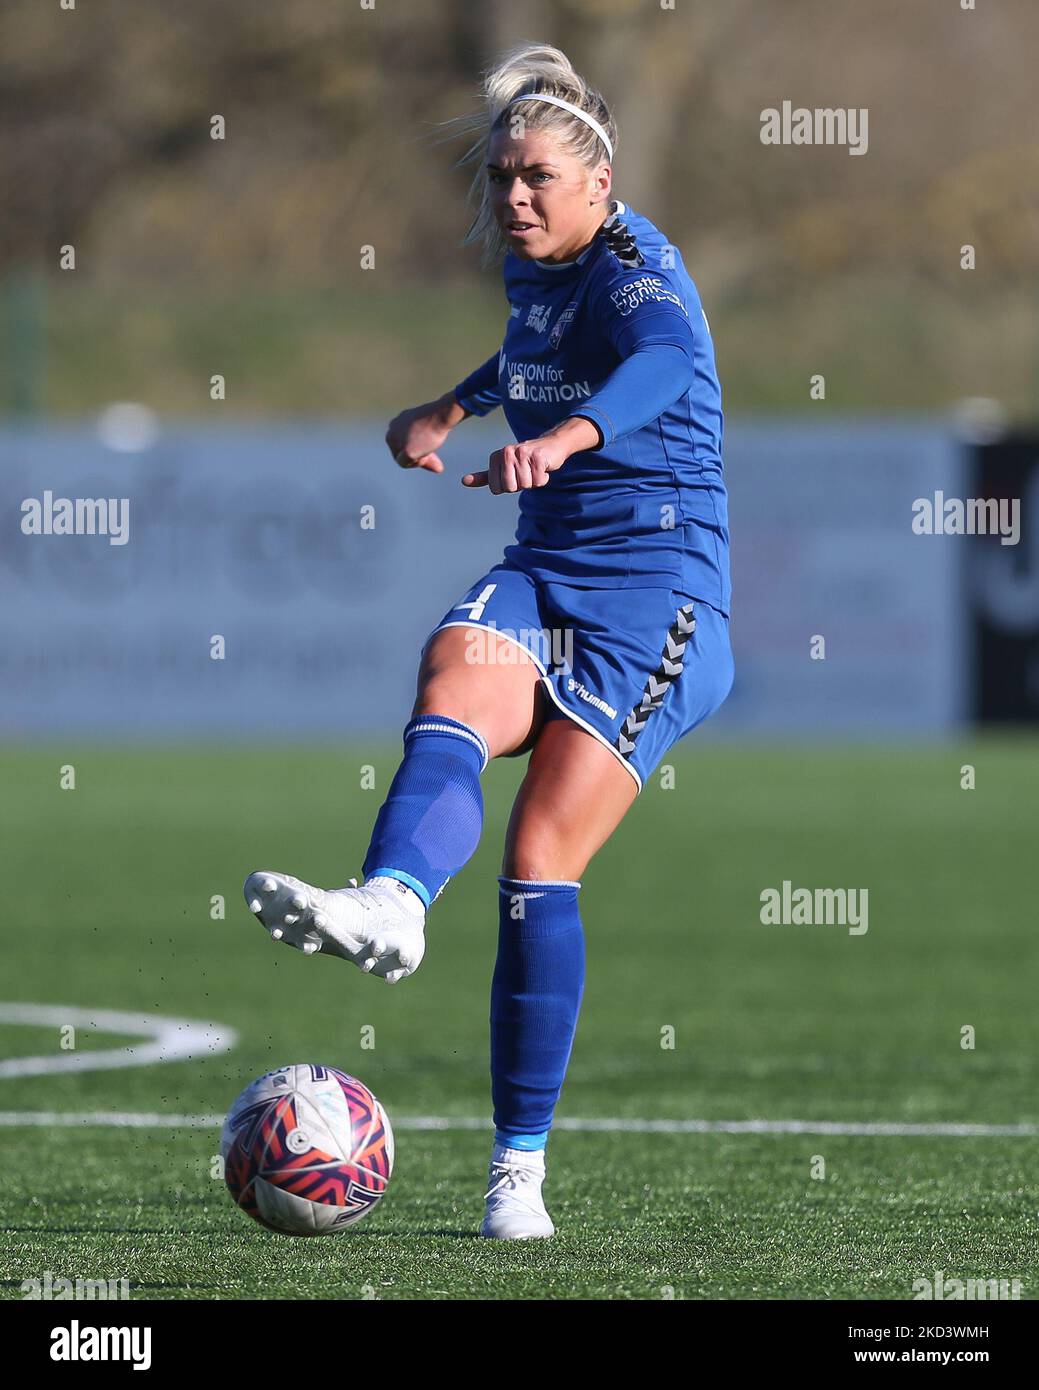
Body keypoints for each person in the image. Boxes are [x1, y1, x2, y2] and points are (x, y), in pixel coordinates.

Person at [244, 42, 734, 1240]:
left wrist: (565, 439)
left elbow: (662, 362)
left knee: (534, 869)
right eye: (503, 175)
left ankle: (517, 1174)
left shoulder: (634, 266)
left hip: (657, 601)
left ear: (599, 185)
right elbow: (530, 354)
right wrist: (454, 407)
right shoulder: (541, 270)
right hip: (548, 571)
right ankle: (394, 902)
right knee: (455, 663)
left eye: (536, 178)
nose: (512, 197)